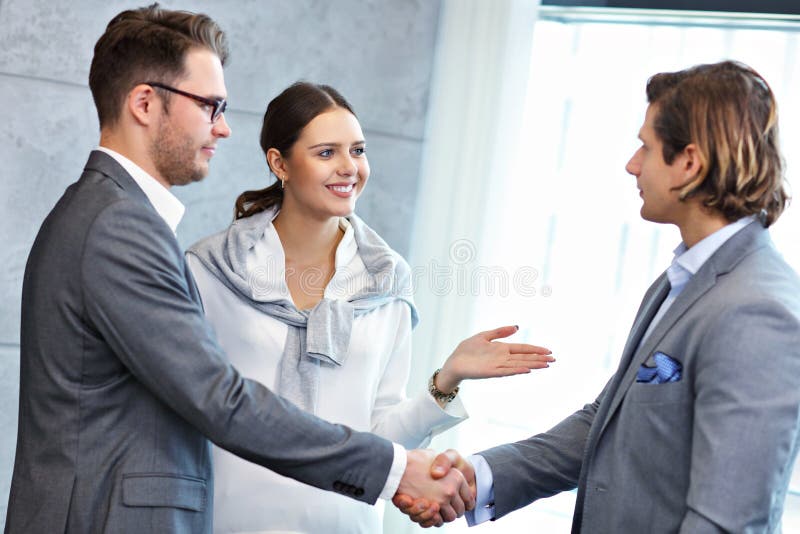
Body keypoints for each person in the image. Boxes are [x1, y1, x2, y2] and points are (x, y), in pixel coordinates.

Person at [3, 5, 528, 532]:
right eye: (210, 106)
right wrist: (396, 473)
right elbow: (220, 400)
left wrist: (438, 396)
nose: (224, 127)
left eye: (357, 150)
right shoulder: (126, 230)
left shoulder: (112, 216)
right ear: (144, 103)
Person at [396, 60, 800, 532]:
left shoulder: (758, 311)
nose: (632, 164)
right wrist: (478, 477)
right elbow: (608, 424)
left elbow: (727, 521)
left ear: (689, 163)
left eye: (646, 147)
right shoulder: (679, 280)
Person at [185, 81, 555, 533]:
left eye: (357, 151)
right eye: (326, 152)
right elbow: (192, 409)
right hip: (225, 520)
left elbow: (381, 440)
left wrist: (448, 379)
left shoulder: (387, 280)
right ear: (279, 163)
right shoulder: (212, 269)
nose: (349, 167)